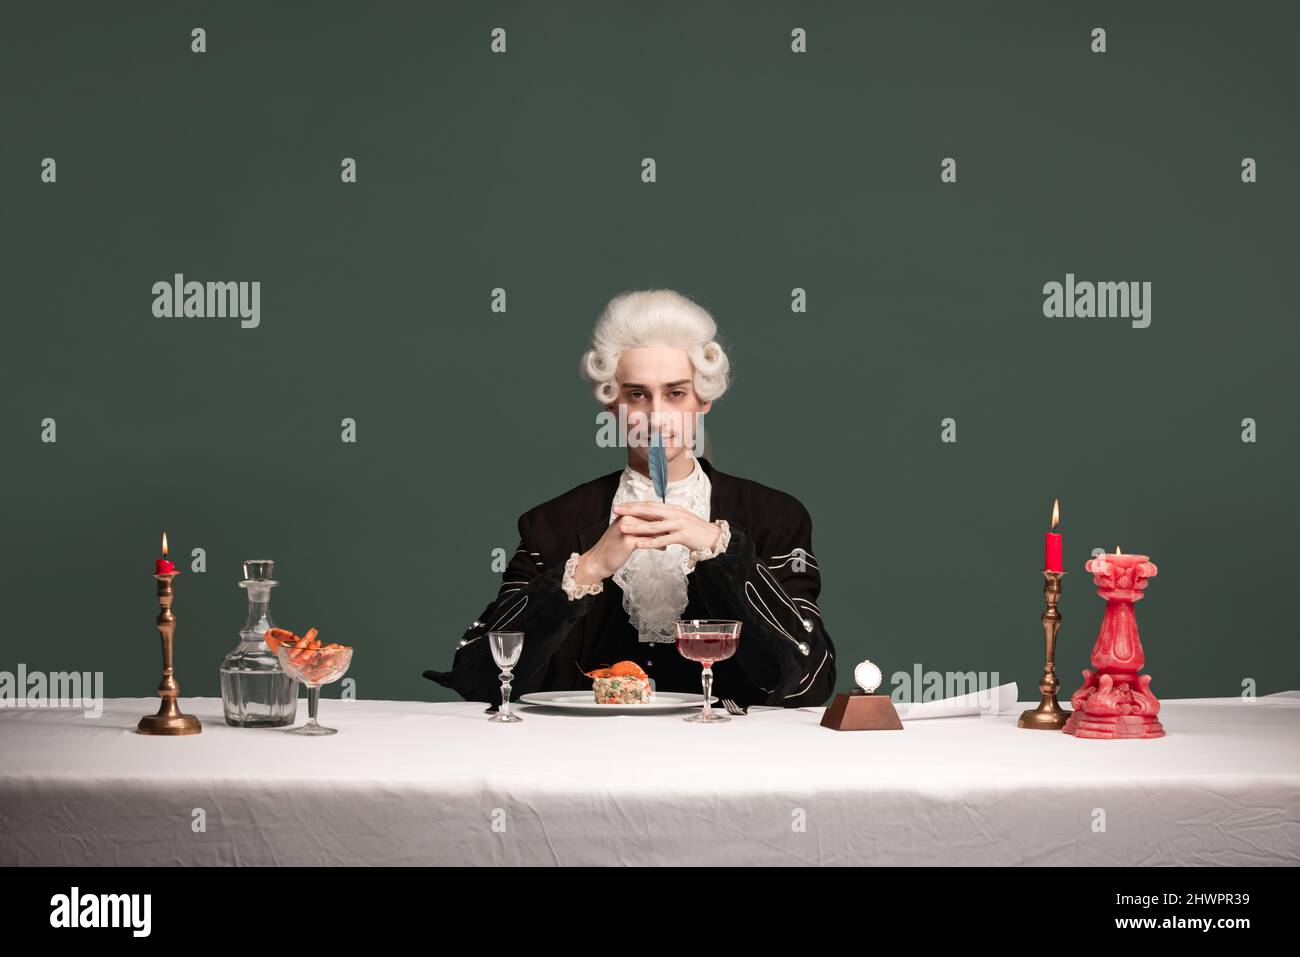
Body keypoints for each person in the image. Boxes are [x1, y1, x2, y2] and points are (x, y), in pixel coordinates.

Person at [424, 289, 836, 708]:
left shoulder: (774, 516)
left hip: (723, 759)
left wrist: (720, 549)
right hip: (586, 759)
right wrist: (587, 569)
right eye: (637, 395)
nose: (656, 416)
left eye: (676, 393)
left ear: (703, 400)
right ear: (612, 404)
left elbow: (808, 681)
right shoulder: (552, 524)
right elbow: (481, 679)